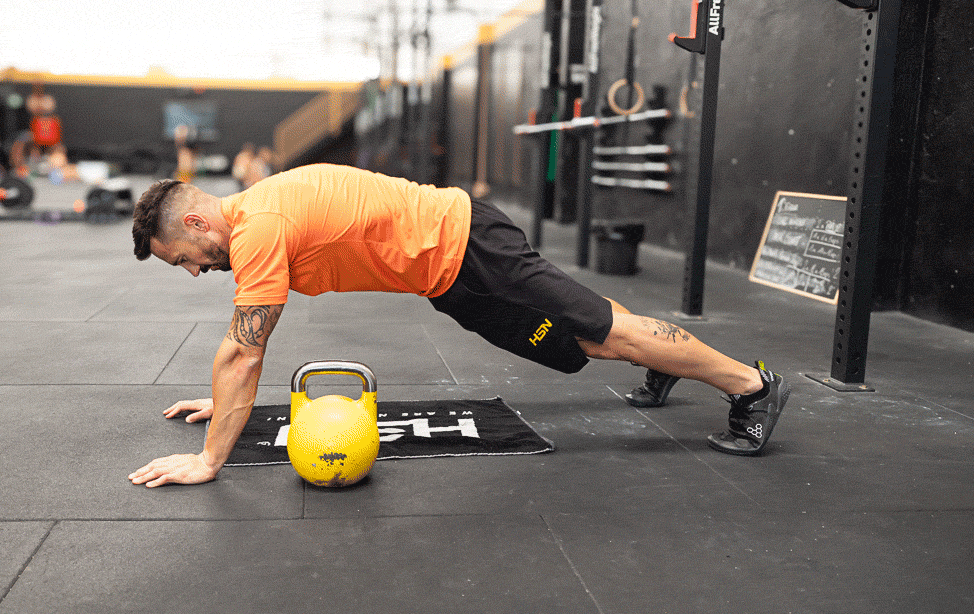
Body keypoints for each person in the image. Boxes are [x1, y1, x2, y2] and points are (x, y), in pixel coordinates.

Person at [127, 164, 791, 487]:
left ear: (195, 222)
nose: (193, 271)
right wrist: (224, 404)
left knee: (610, 327)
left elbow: (245, 350)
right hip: (447, 278)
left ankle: (751, 388)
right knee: (576, 343)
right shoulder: (255, 216)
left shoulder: (258, 228)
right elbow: (242, 351)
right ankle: (664, 359)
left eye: (186, 259)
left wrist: (211, 456)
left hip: (474, 244)